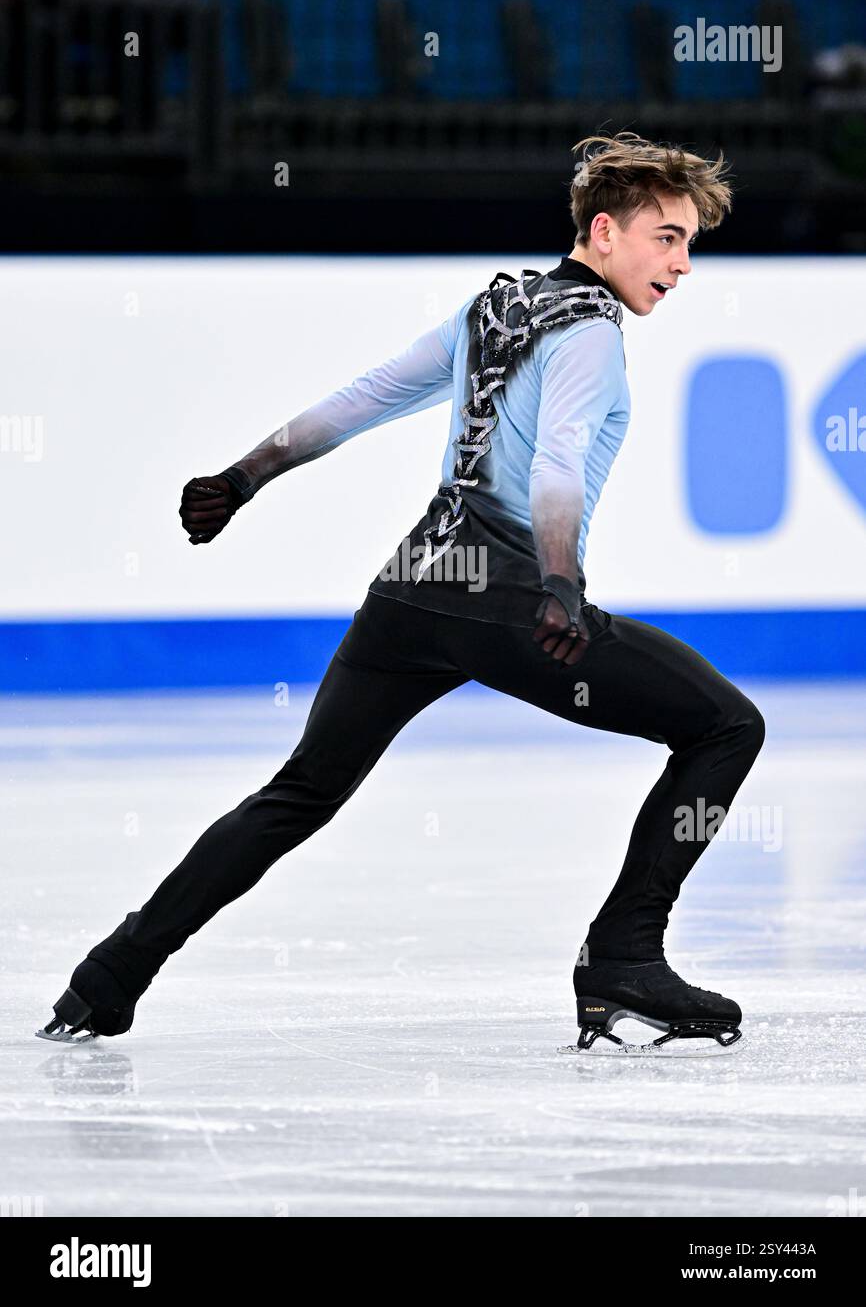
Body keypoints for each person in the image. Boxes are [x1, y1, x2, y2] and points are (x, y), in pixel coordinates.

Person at [37, 131, 765, 1054]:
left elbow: (370, 394)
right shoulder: (589, 337)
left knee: (297, 793)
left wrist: (247, 475)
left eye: (691, 243)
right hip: (512, 603)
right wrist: (560, 584)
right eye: (669, 237)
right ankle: (624, 956)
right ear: (606, 229)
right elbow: (558, 463)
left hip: (414, 592)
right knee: (728, 726)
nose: (683, 263)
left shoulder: (493, 309)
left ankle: (105, 980)